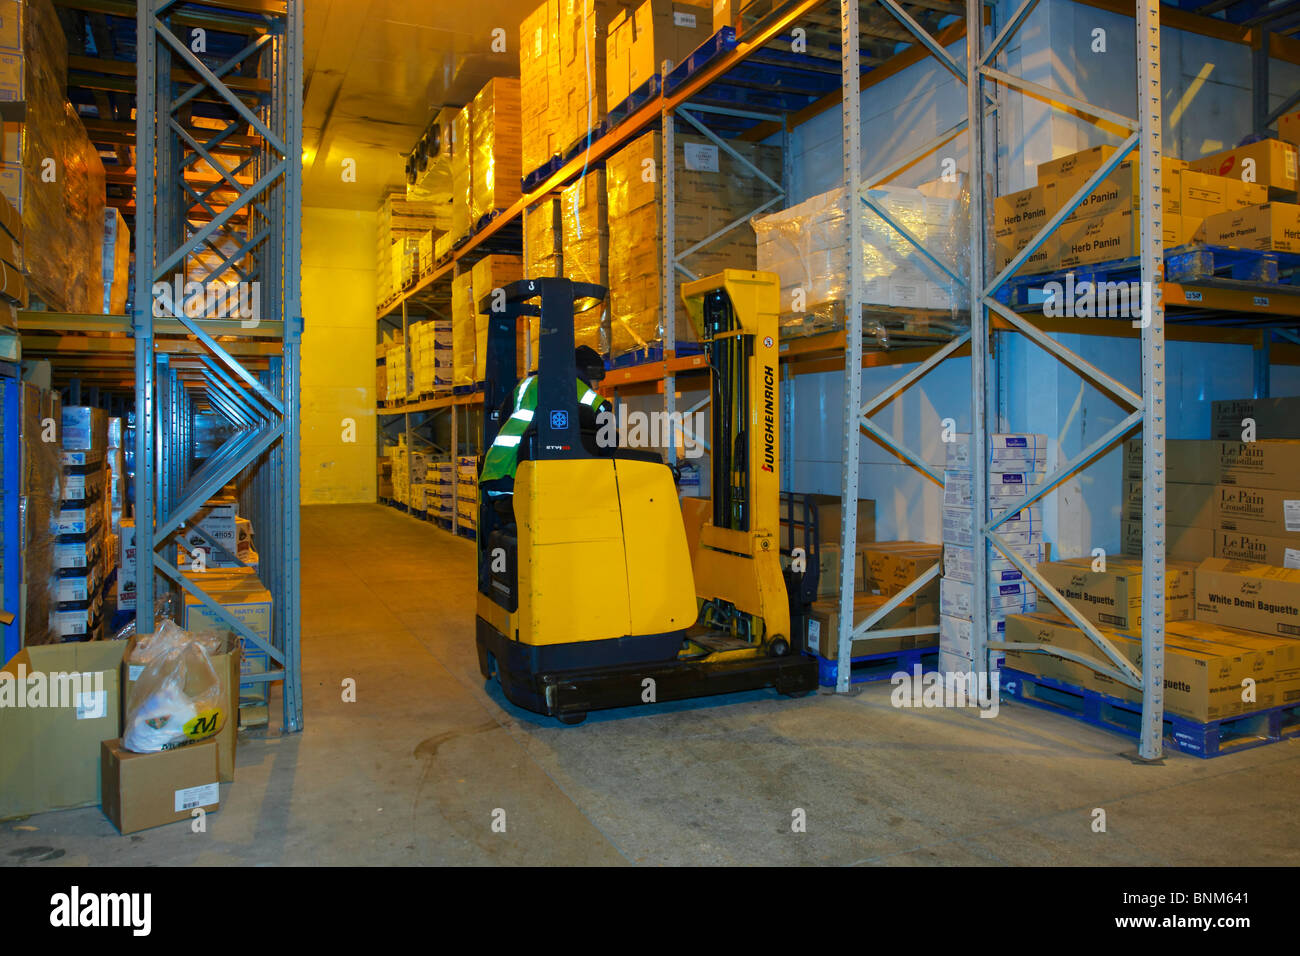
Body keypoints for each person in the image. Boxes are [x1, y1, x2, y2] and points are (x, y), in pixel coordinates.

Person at [480, 345, 610, 487]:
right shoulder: (593, 400)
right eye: (597, 381)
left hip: (497, 470)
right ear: (587, 374)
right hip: (528, 479)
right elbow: (607, 447)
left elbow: (503, 418)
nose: (596, 387)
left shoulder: (529, 383)